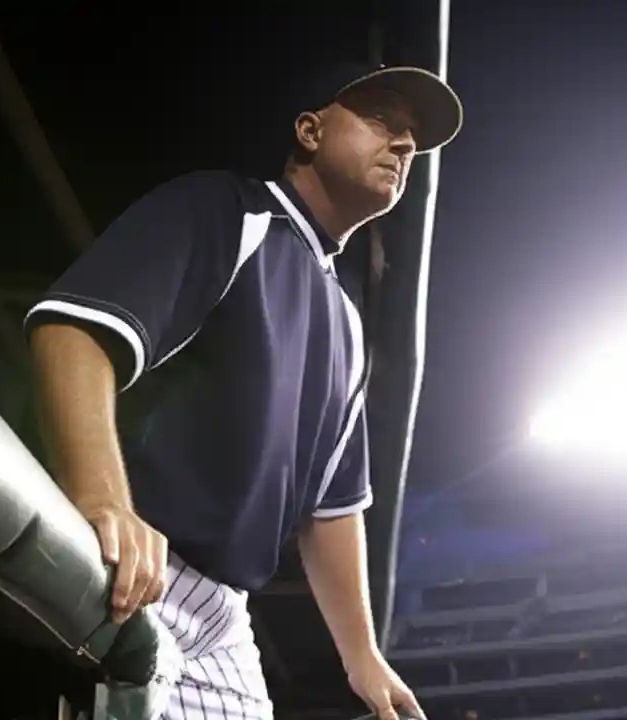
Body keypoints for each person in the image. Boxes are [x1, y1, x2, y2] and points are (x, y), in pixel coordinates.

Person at [24, 62, 463, 720]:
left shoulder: (346, 320)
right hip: (126, 560)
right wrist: (100, 499)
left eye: (412, 139)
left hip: (224, 612)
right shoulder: (230, 211)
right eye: (381, 119)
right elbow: (71, 332)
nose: (402, 143)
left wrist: (362, 652)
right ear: (310, 131)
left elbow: (333, 506)